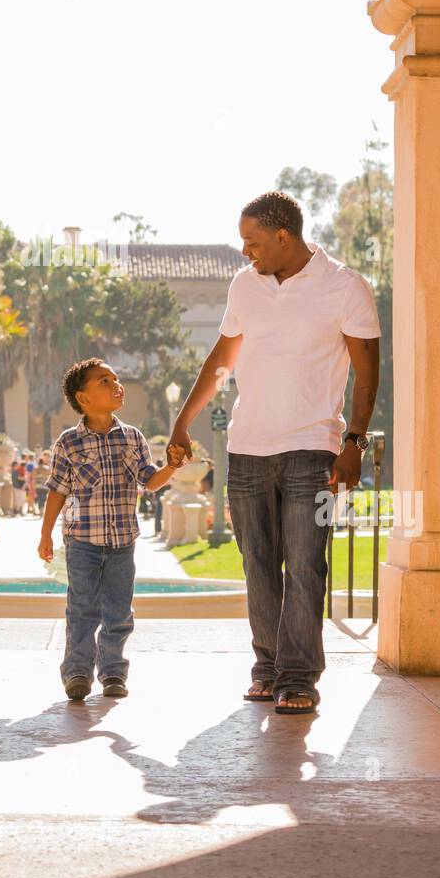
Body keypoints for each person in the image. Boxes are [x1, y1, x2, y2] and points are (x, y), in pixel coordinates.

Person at [169, 191, 380, 715]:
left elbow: (367, 368)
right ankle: (267, 666)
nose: (246, 252)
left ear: (283, 236)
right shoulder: (245, 286)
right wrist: (183, 419)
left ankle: (299, 677)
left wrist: (354, 440)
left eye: (253, 242)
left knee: (306, 565)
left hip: (313, 447)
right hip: (247, 449)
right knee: (258, 565)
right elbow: (223, 356)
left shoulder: (345, 286)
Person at [38, 357, 184, 701]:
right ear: (83, 398)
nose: (116, 384)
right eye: (104, 381)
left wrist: (173, 466)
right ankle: (76, 672)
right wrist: (45, 534)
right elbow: (57, 490)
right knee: (82, 608)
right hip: (81, 542)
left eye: (116, 378)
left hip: (122, 543)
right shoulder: (68, 443)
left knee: (119, 610)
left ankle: (113, 673)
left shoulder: (132, 438)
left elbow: (150, 481)